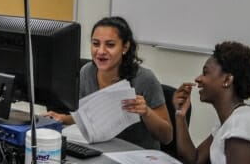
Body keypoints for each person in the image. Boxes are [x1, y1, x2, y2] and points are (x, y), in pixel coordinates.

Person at [46, 16, 172, 149]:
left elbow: (167, 137)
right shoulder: (87, 72)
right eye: (96, 44)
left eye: (110, 45)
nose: (101, 51)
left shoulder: (144, 79)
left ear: (125, 47)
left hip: (137, 155)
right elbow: (89, 119)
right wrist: (62, 118)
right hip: (101, 151)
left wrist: (147, 112)